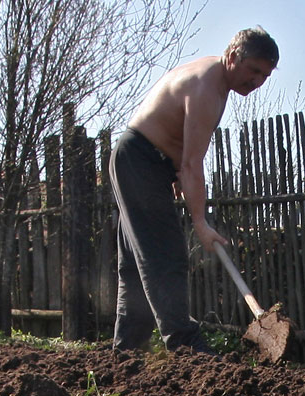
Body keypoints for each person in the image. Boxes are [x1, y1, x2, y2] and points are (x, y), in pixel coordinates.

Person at [110, 27, 278, 353]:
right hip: (141, 160)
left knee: (136, 262)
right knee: (165, 254)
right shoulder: (206, 89)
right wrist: (200, 222)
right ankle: (186, 345)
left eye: (265, 75)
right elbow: (192, 164)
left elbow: (178, 147)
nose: (257, 81)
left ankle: (127, 351)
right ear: (232, 57)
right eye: (254, 70)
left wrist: (170, 173)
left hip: (145, 161)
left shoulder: (216, 81)